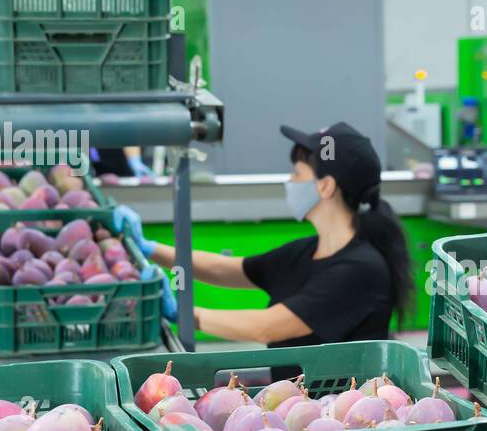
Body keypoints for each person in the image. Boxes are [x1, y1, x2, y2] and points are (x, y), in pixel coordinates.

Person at [114, 122, 413, 354]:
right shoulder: (307, 251)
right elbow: (226, 268)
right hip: (296, 411)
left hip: (339, 421)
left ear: (326, 187)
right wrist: (148, 248)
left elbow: (266, 328)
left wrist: (184, 315)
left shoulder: (360, 270)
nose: (289, 182)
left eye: (297, 173)